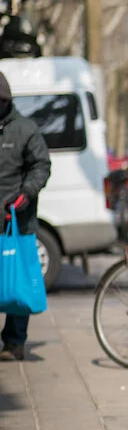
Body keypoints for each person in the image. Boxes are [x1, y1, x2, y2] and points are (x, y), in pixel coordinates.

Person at [0, 70, 52, 361]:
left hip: (18, 223)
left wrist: (24, 195)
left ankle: (15, 341)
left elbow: (41, 166)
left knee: (17, 283)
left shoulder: (25, 129)